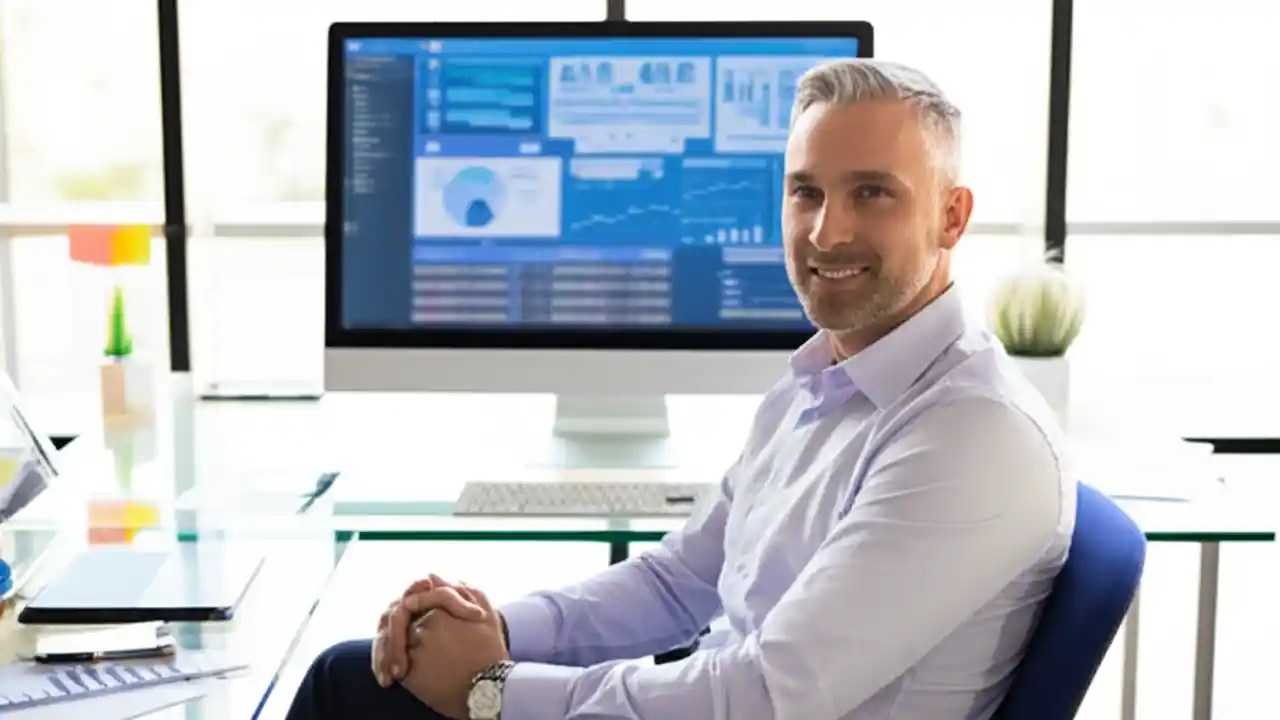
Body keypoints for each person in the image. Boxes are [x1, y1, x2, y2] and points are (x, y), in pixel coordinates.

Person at [286, 58, 1074, 720]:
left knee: (347, 690)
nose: (827, 232)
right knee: (359, 672)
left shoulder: (971, 434)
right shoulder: (818, 381)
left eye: (872, 193)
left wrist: (492, 689)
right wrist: (489, 627)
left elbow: (766, 694)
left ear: (950, 216)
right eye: (806, 192)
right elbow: (681, 580)